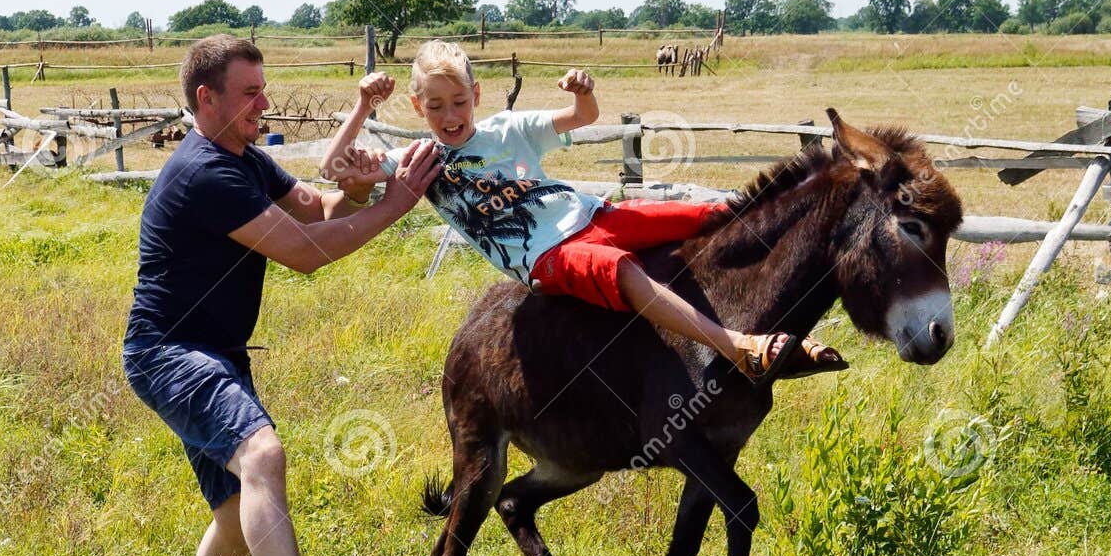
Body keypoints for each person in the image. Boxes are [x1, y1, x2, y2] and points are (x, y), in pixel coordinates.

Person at [123, 34, 439, 556]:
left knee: (240, 505)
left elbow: (316, 211)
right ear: (206, 98)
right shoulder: (204, 172)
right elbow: (304, 252)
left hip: (212, 350)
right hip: (169, 349)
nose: (263, 103)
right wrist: (400, 203)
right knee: (263, 455)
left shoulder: (243, 156)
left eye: (263, 89)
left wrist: (357, 190)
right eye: (249, 93)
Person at [321, 39, 841, 379]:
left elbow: (582, 116)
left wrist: (583, 92)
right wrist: (363, 105)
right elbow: (333, 167)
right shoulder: (419, 158)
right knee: (619, 270)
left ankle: (803, 292)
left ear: (476, 95)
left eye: (458, 102)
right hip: (546, 258)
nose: (449, 115)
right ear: (417, 108)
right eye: (435, 107)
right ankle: (735, 345)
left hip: (595, 215)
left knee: (710, 215)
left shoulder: (511, 129)